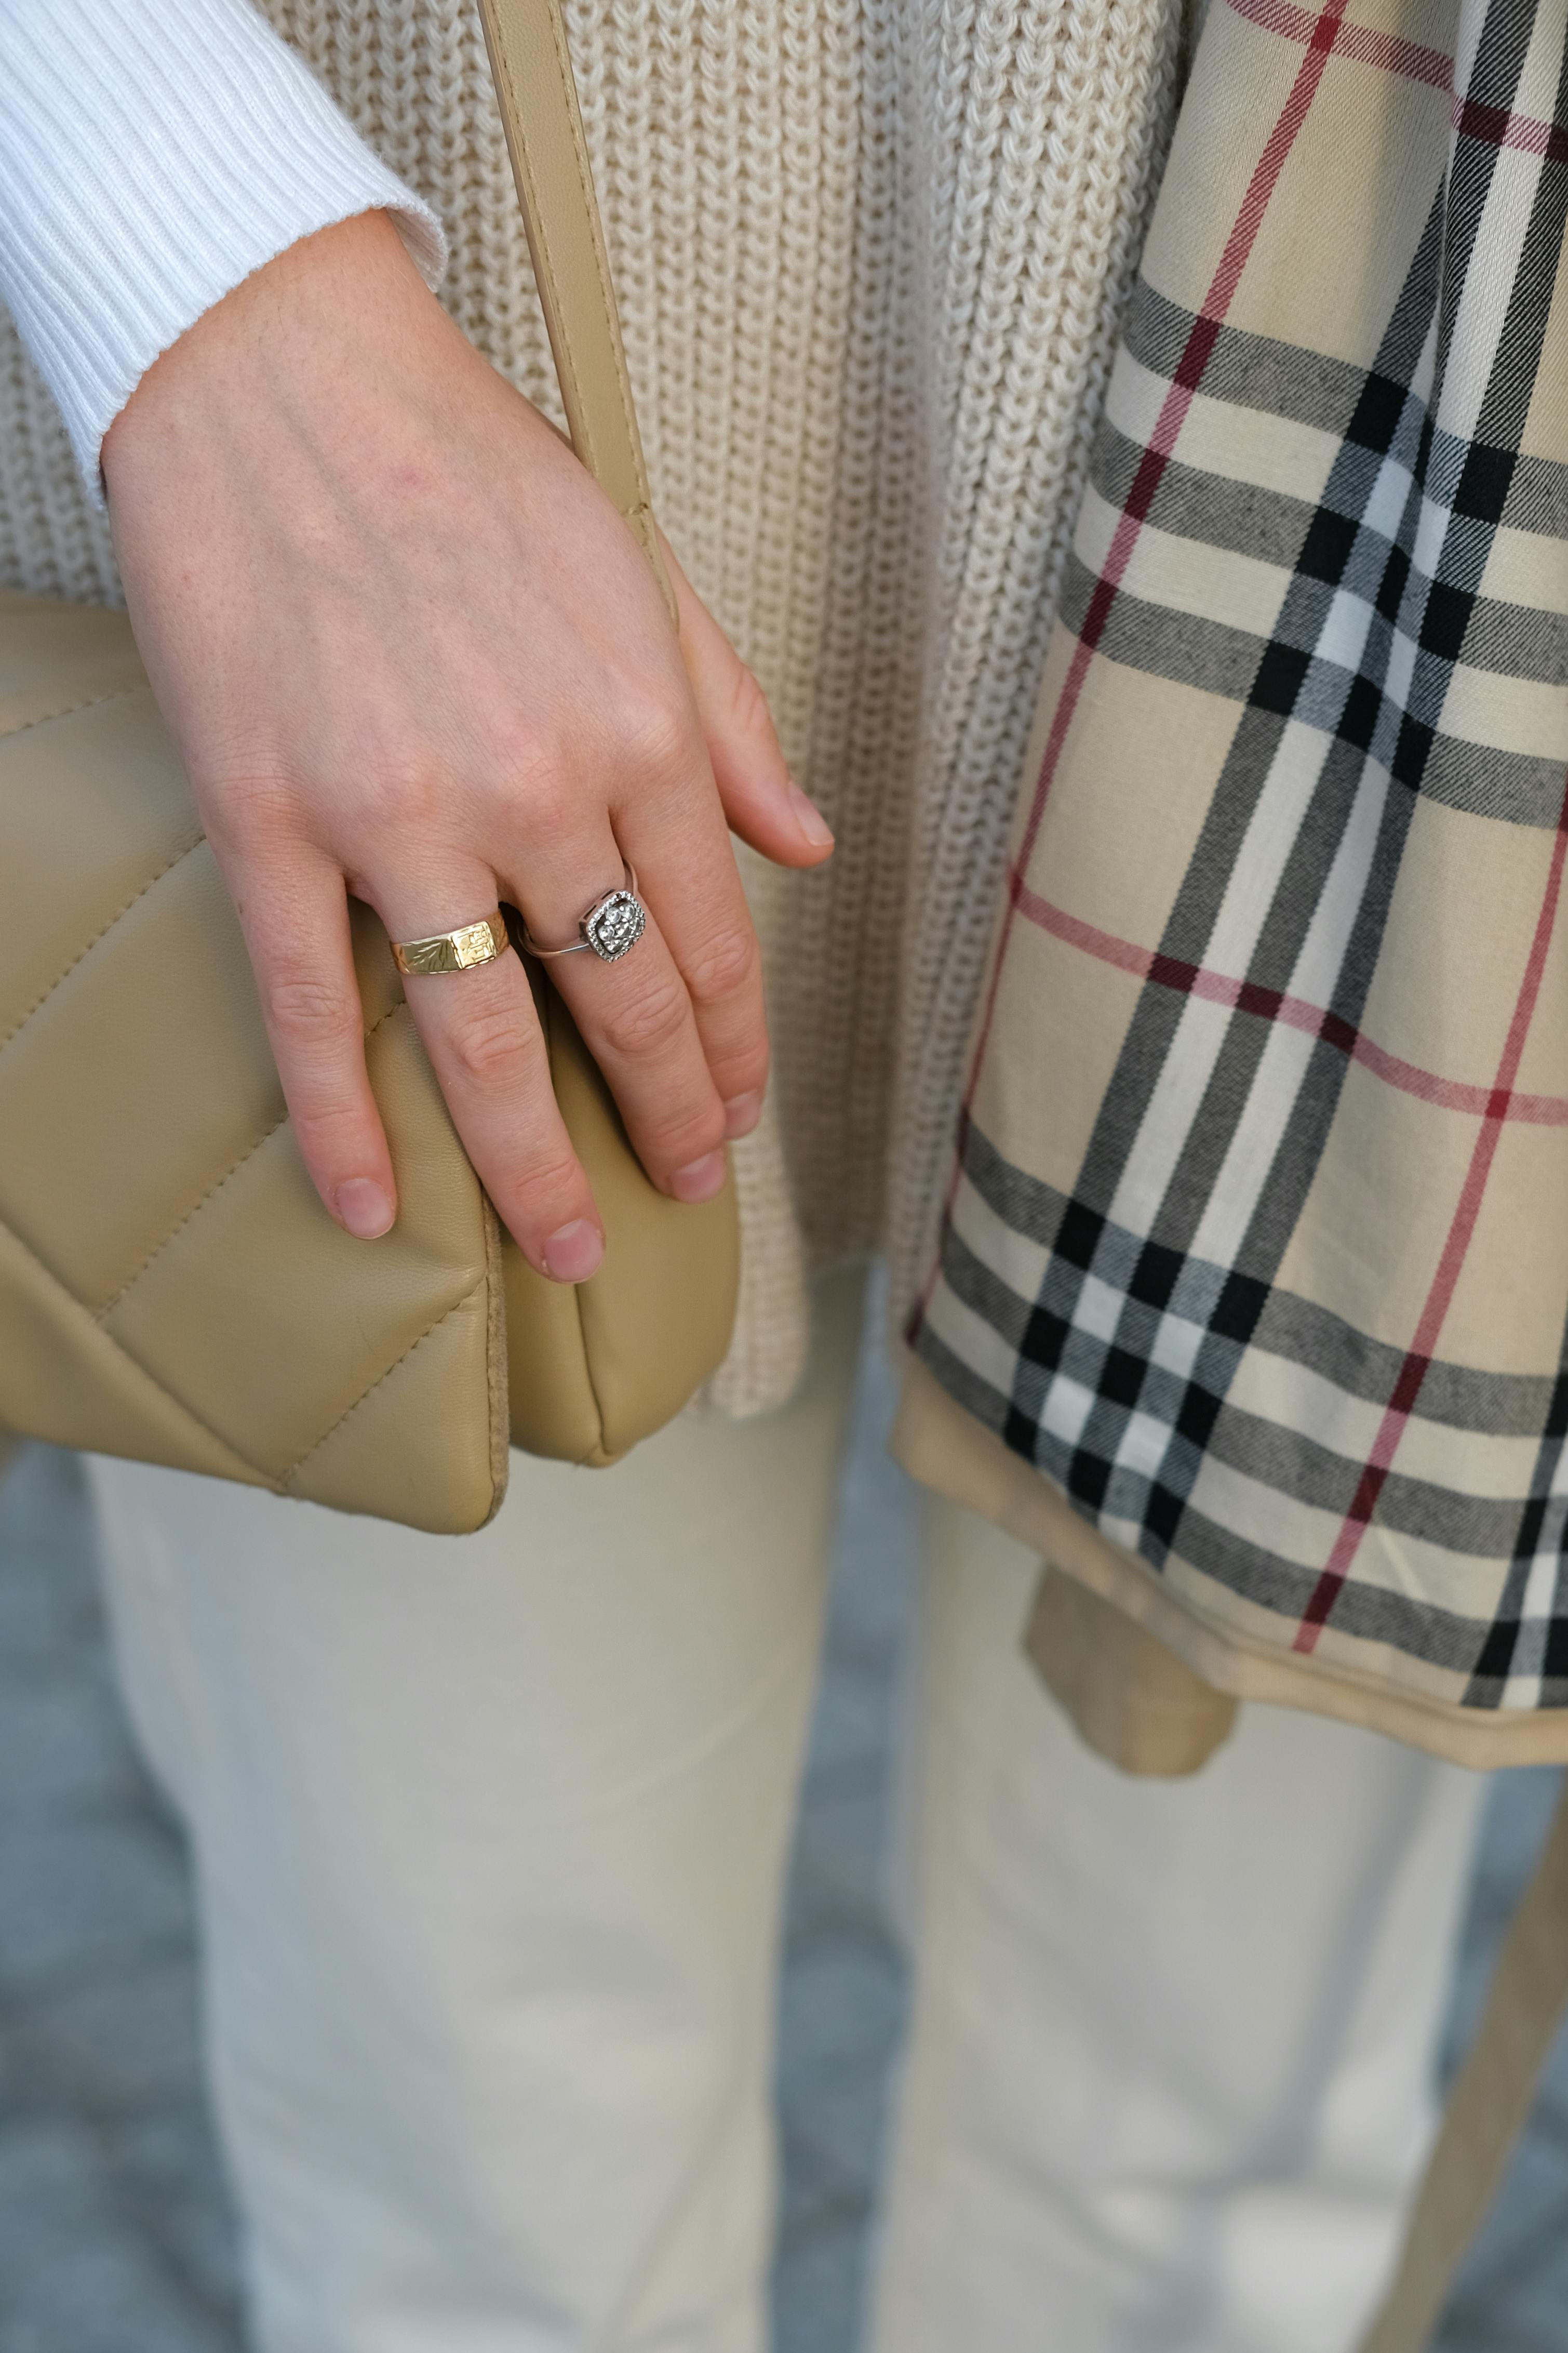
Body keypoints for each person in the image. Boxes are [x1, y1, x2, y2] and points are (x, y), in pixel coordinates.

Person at [0, 2, 1489, 2347]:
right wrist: (194, 258)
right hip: (377, 437)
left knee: (1197, 2205)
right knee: (481, 2198)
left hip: (1428, 496)